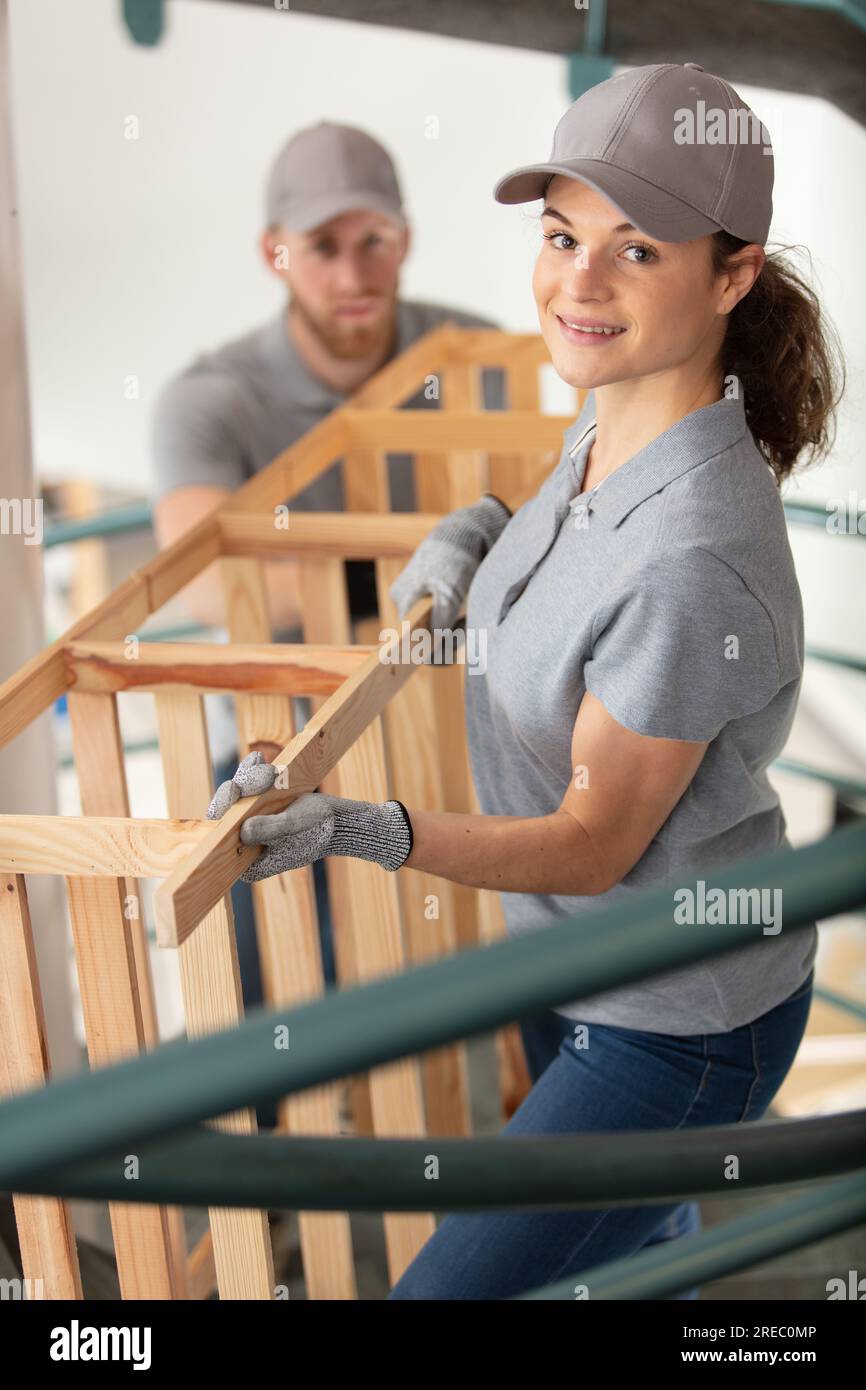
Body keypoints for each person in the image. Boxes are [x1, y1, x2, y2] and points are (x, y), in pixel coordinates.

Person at [207, 62, 844, 1298]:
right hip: (570, 966)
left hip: (675, 1021)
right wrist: (478, 532)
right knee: (620, 1262)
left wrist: (357, 827)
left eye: (636, 249)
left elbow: (589, 839)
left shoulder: (696, 554)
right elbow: (570, 537)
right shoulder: (616, 418)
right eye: (560, 235)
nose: (576, 282)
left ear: (732, 273)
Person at [150, 122, 505, 1105]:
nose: (353, 270)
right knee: (267, 942)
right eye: (320, 245)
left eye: (373, 239)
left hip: (449, 726)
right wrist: (409, 594)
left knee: (451, 951)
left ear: (406, 237)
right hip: (287, 725)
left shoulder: (469, 357)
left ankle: (439, 1120)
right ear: (275, 253)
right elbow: (203, 580)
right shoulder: (208, 399)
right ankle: (256, 1152)